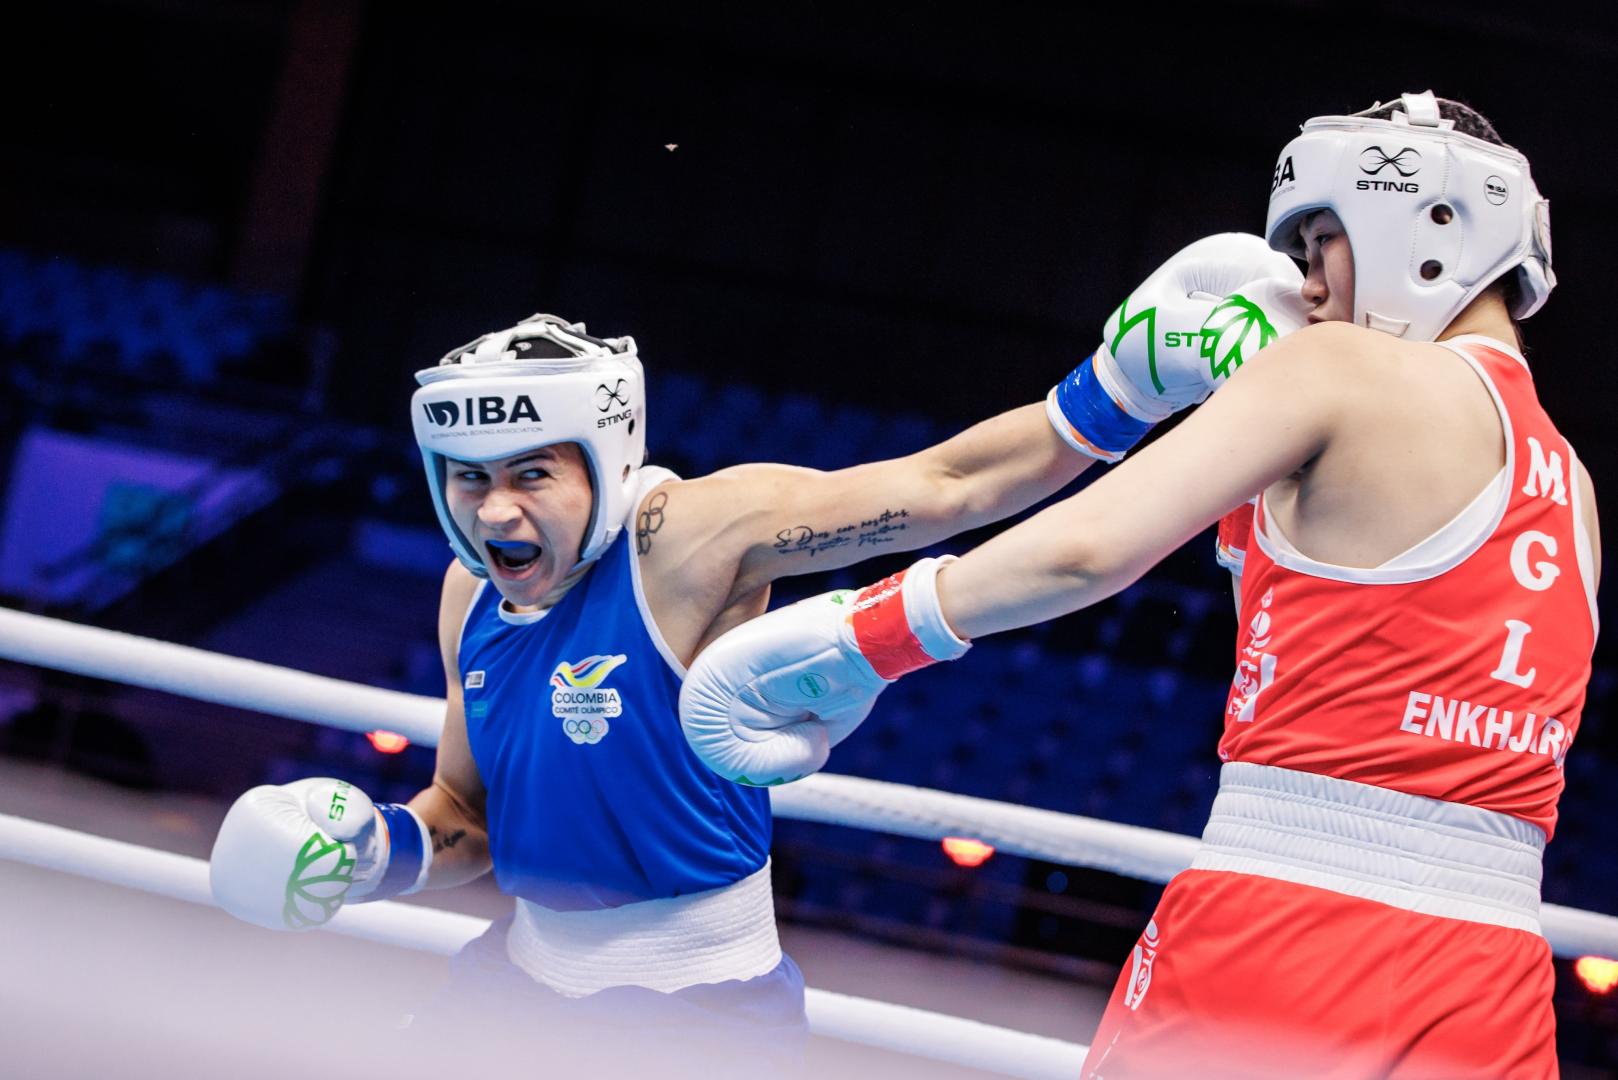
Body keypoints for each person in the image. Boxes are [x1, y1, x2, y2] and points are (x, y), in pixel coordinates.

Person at [204, 236, 1306, 1072]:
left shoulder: (687, 539)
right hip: (510, 979)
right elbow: (469, 815)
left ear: (603, 460)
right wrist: (375, 855)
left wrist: (1116, 393)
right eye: (469, 479)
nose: (495, 511)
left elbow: (945, 490)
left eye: (532, 474)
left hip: (694, 1011)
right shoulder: (471, 597)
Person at [682, 91, 1592, 1078]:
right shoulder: (1570, 483)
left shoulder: (1344, 369)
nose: (1311, 290)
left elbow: (1087, 550)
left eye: (1321, 243)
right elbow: (1320, 636)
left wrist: (867, 634)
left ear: (1432, 226)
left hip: (1284, 927)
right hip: (1491, 973)